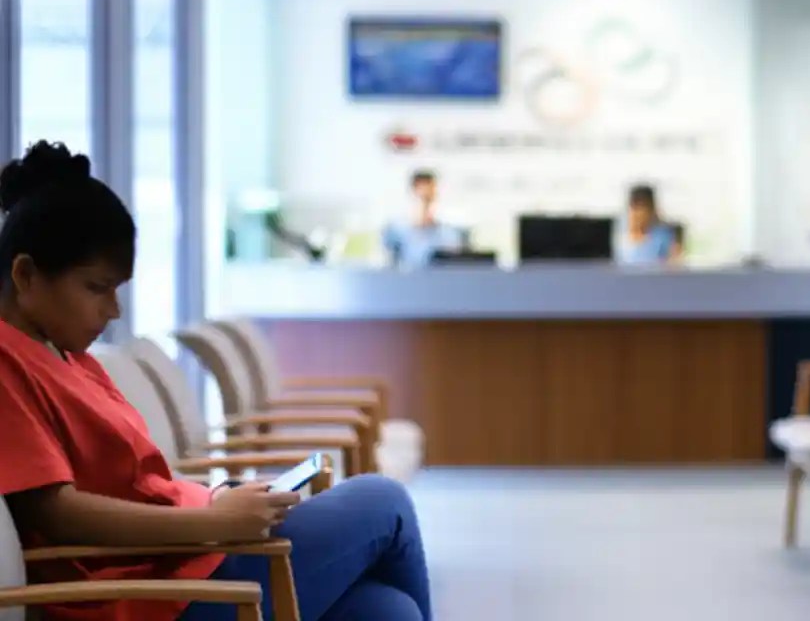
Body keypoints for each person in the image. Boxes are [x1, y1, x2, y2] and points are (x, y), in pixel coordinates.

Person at [0, 142, 432, 621]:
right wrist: (214, 522)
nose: (114, 310)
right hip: (141, 595)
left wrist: (216, 497)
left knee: (387, 609)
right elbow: (55, 513)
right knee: (384, 501)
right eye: (96, 288)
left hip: (176, 561)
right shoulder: (6, 363)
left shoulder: (66, 357)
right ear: (26, 275)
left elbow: (140, 484)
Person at [382, 169, 464, 268]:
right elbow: (388, 263)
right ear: (413, 192)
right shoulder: (396, 230)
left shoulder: (448, 234)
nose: (425, 197)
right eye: (422, 197)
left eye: (428, 197)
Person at [615, 184, 681, 265]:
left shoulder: (663, 238)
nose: (637, 214)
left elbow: (673, 264)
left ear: (651, 209)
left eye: (642, 207)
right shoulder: (620, 240)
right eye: (634, 207)